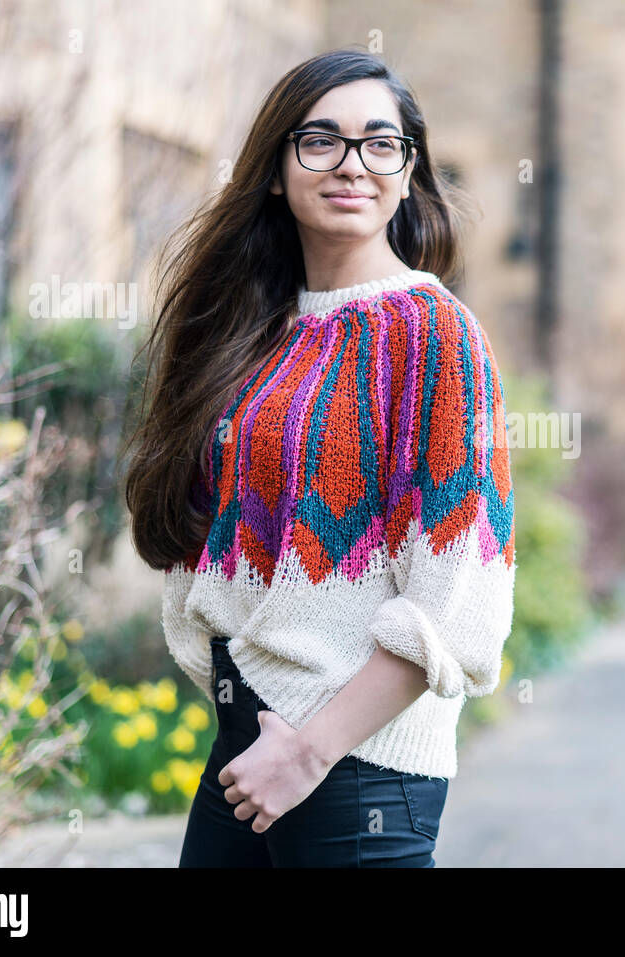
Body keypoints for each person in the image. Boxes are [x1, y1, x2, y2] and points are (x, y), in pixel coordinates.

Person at [122, 48, 516, 867]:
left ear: (408, 173)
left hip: (353, 771)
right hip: (247, 747)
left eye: (381, 144)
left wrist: (309, 748)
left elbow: (458, 607)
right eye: (321, 141)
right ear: (276, 168)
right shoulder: (254, 330)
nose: (352, 165)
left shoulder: (433, 336)